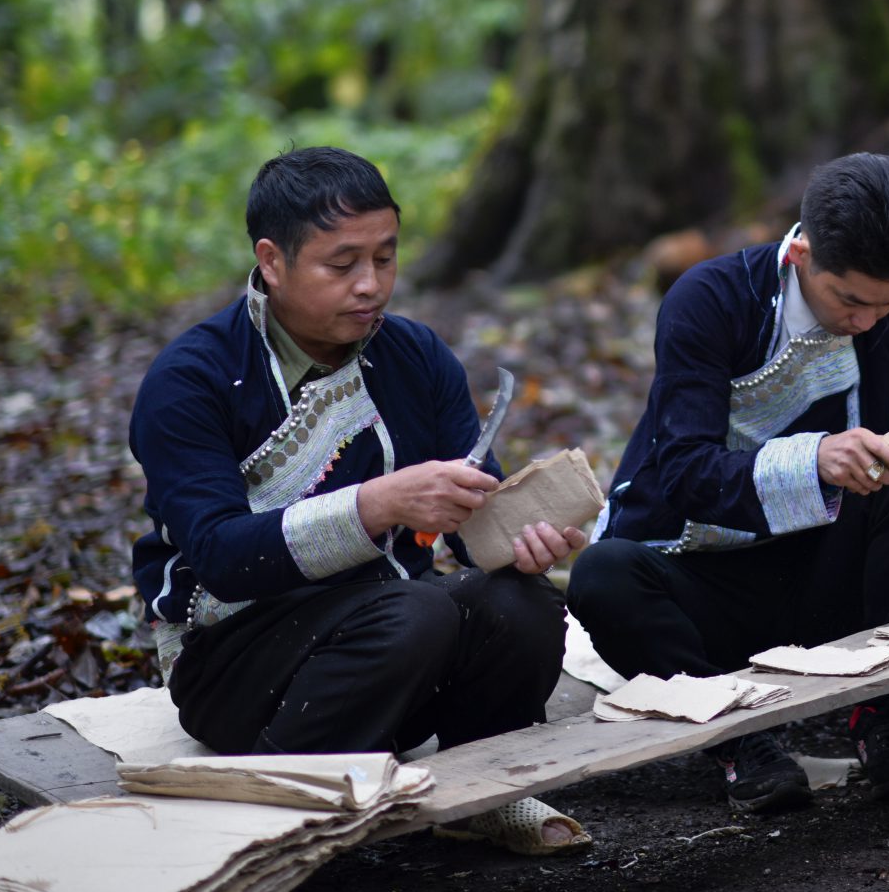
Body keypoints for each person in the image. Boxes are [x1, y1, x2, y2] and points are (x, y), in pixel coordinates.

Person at [128, 146, 589, 855]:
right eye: (341, 265)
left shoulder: (414, 355)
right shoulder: (192, 378)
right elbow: (219, 558)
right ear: (272, 261)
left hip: (391, 637)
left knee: (522, 606)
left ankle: (482, 793)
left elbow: (470, 520)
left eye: (385, 257)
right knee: (419, 608)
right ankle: (287, 811)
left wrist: (524, 542)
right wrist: (377, 504)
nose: (371, 285)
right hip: (236, 662)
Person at [567, 153, 889, 812]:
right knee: (601, 576)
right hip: (704, 587)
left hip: (826, 578)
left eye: (887, 304)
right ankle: (742, 742)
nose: (868, 323)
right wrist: (814, 458)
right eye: (852, 301)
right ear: (801, 252)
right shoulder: (708, 300)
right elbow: (685, 472)